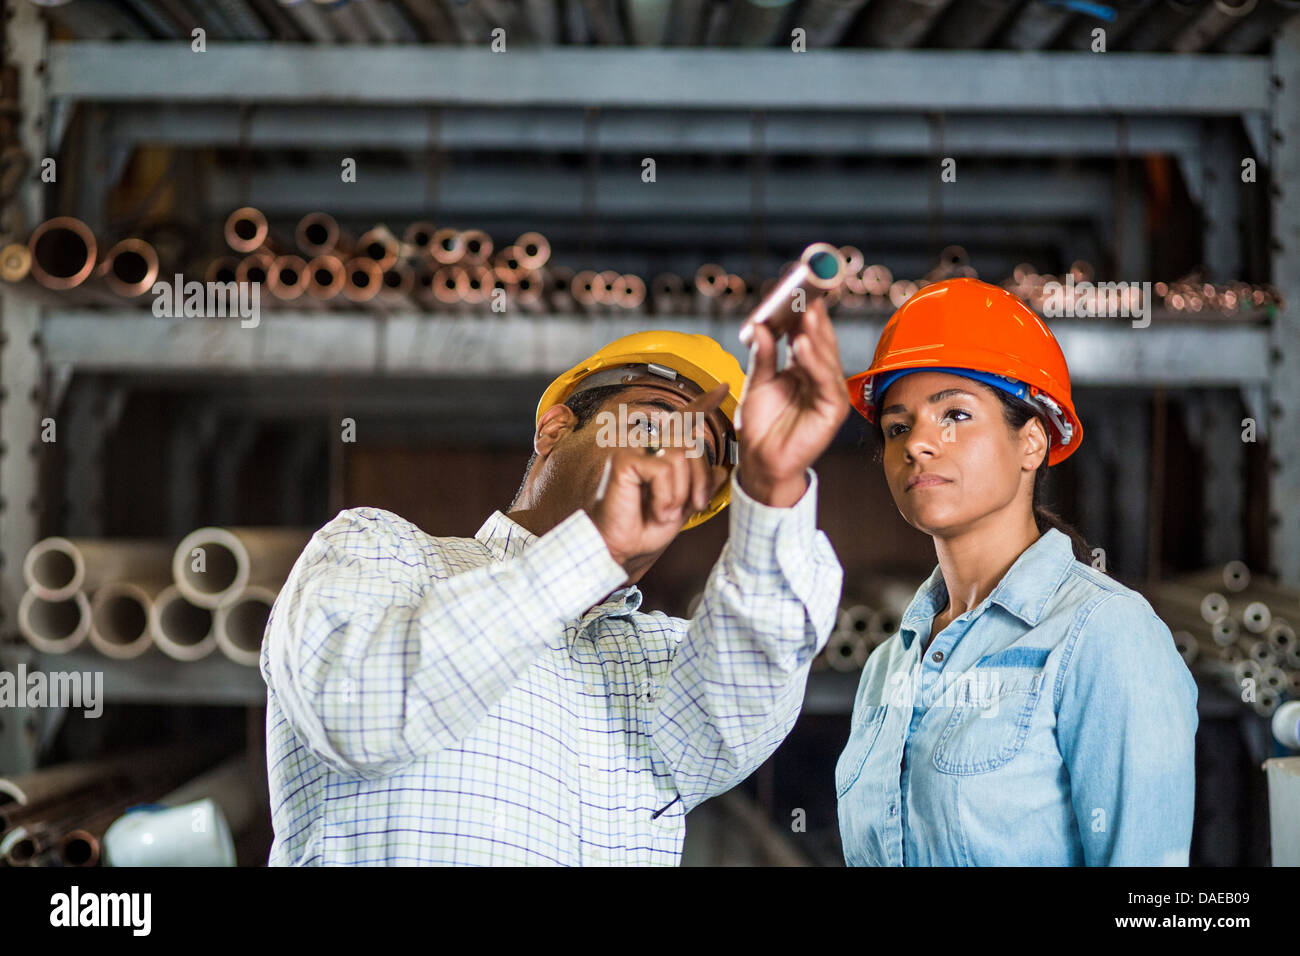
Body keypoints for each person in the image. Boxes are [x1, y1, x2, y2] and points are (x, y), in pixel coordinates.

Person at [262, 319, 851, 865]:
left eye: (703, 455)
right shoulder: (383, 551)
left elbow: (753, 672)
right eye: (648, 422)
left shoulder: (669, 664)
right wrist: (590, 552)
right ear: (556, 428)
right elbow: (357, 710)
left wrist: (775, 491)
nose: (671, 456)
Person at [836, 277, 1198, 866]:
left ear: (1032, 441)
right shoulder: (888, 667)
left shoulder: (1105, 637)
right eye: (898, 426)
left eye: (954, 413)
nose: (918, 444)